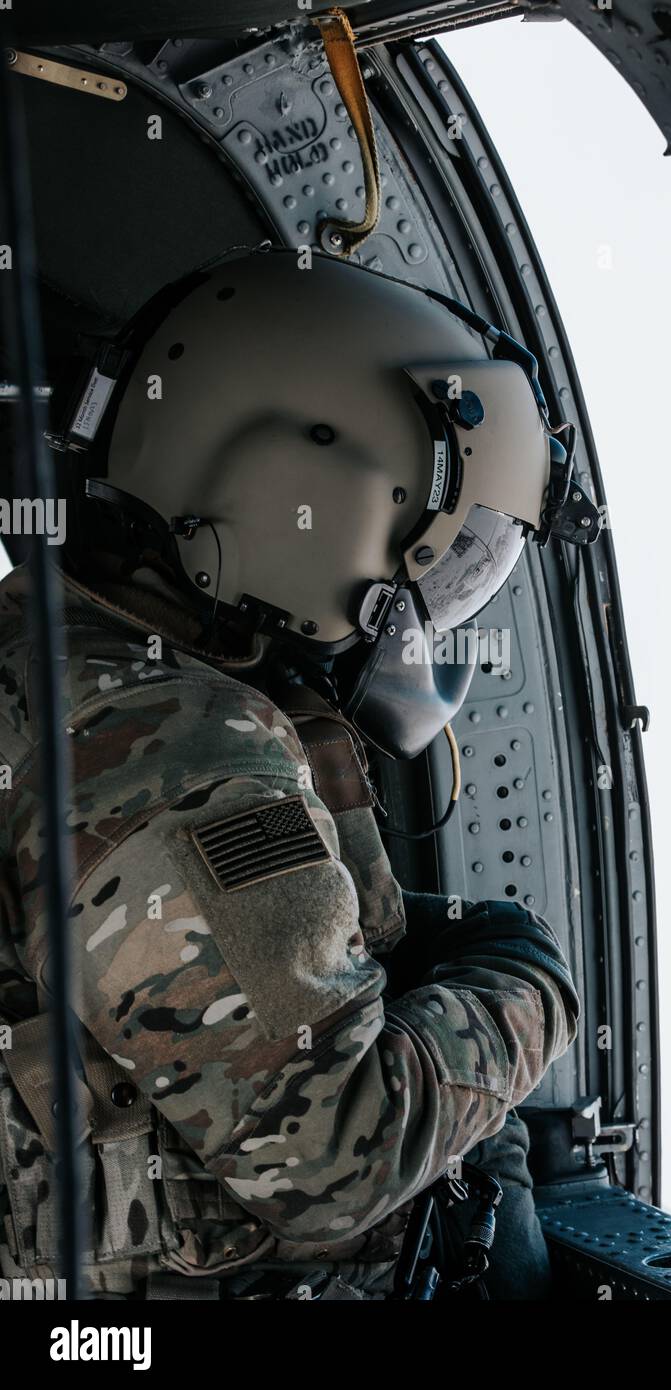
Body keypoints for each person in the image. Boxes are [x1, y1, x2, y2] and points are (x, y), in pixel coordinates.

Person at [0, 248, 596, 1299]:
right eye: (439, 556)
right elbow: (333, 1159)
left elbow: (154, 928)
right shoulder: (185, 748)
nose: (433, 604)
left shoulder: (56, 649)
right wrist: (529, 985)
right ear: (307, 490)